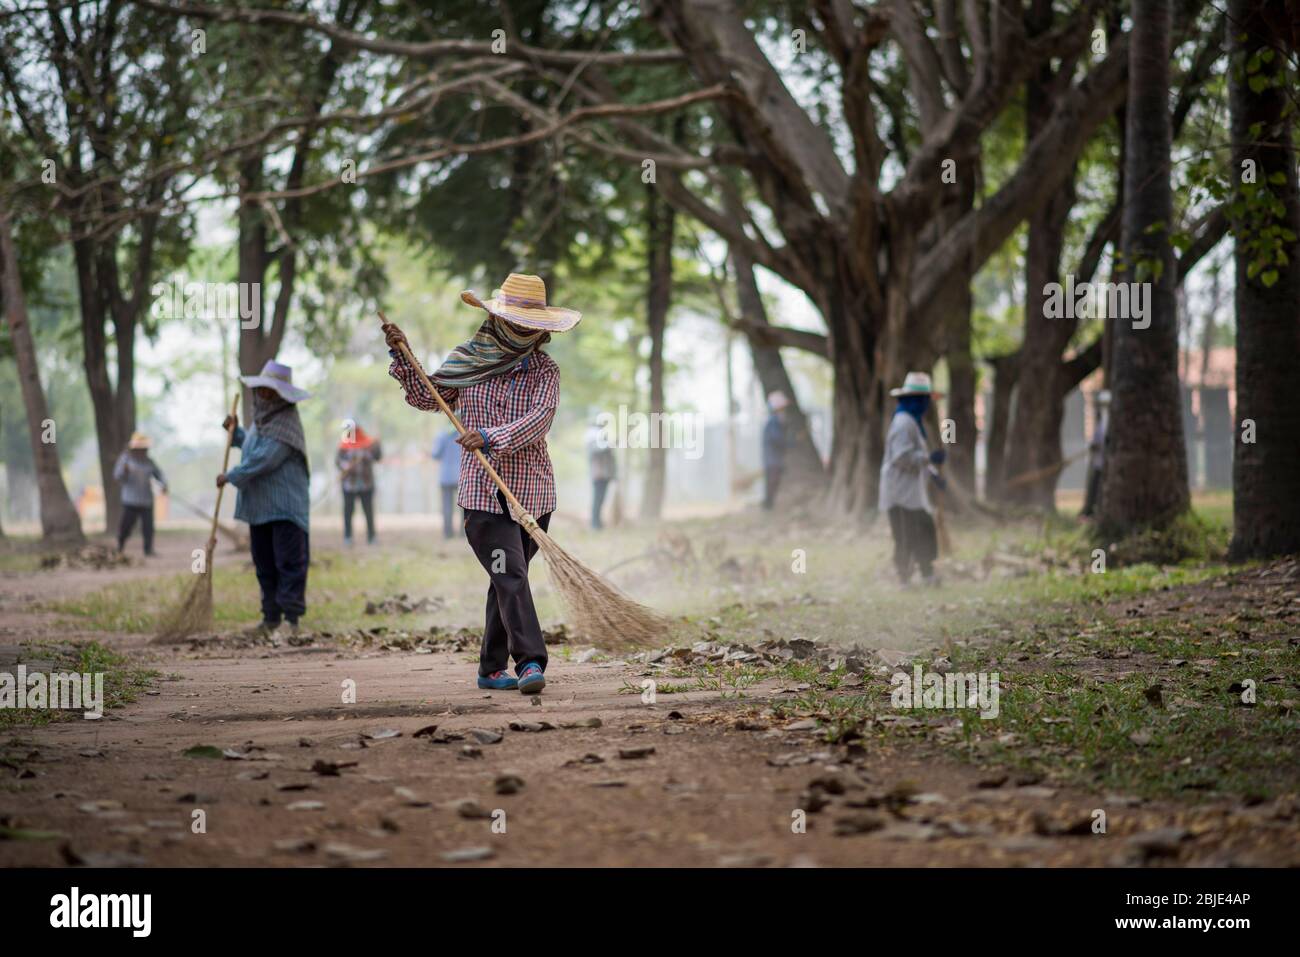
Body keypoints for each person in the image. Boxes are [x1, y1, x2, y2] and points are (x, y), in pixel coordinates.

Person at [383, 273, 577, 695]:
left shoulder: (545, 370)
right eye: (517, 320)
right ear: (498, 319)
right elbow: (427, 397)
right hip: (481, 495)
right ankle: (530, 663)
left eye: (532, 324)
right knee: (510, 575)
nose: (525, 329)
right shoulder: (468, 361)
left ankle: (490, 668)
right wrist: (404, 356)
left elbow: (540, 421)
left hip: (534, 494)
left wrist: (490, 437)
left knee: (507, 576)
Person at [217, 360, 312, 637]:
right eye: (262, 390)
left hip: (285, 509)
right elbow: (252, 446)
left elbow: (265, 459)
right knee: (264, 564)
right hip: (260, 508)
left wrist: (231, 476)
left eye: (271, 391)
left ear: (283, 395)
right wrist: (236, 434)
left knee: (289, 564)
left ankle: (291, 621)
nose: (264, 395)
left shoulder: (287, 424)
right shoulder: (262, 422)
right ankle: (270, 618)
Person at [879, 372, 945, 587]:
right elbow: (901, 457)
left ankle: (927, 574)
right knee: (904, 536)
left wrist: (934, 475)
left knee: (924, 531)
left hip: (913, 492)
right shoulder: (902, 423)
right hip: (899, 493)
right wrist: (928, 458)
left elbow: (916, 459)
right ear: (911, 400)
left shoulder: (913, 422)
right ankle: (904, 579)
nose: (925, 404)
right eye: (921, 399)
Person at [113, 432, 166, 556]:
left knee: (148, 527)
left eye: (144, 448)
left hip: (146, 500)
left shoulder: (149, 462)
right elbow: (117, 476)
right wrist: (124, 471)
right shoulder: (125, 460)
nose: (143, 451)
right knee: (126, 527)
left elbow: (159, 475)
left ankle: (148, 550)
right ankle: (120, 547)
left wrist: (163, 485)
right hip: (130, 500)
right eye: (140, 448)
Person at [336, 419, 382, 545]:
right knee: (348, 511)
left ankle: (371, 537)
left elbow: (378, 457)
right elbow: (338, 461)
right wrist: (345, 466)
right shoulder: (343, 446)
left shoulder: (369, 444)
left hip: (366, 483)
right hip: (349, 485)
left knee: (368, 511)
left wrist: (377, 446)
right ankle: (348, 537)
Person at [1081, 389, 1111, 520]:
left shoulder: (1110, 422)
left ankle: (1094, 513)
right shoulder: (1102, 422)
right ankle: (1089, 512)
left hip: (1107, 465)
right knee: (1094, 489)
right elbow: (1097, 440)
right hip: (1098, 463)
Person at [431, 428, 463, 539]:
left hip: (446, 476)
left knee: (447, 507)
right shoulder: (463, 433)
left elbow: (435, 454)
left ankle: (448, 533)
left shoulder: (441, 435)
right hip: (461, 475)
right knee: (464, 506)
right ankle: (464, 532)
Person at [761, 391, 790, 510]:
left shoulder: (774, 421)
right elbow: (776, 439)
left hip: (773, 459)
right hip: (773, 459)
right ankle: (768, 506)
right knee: (772, 482)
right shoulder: (773, 422)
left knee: (773, 482)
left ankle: (768, 505)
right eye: (782, 408)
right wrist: (790, 443)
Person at [585, 416, 615, 529]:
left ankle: (598, 523)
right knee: (597, 500)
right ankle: (594, 524)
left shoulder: (601, 437)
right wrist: (608, 445)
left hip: (604, 474)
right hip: (598, 474)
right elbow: (596, 451)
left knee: (601, 500)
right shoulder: (592, 437)